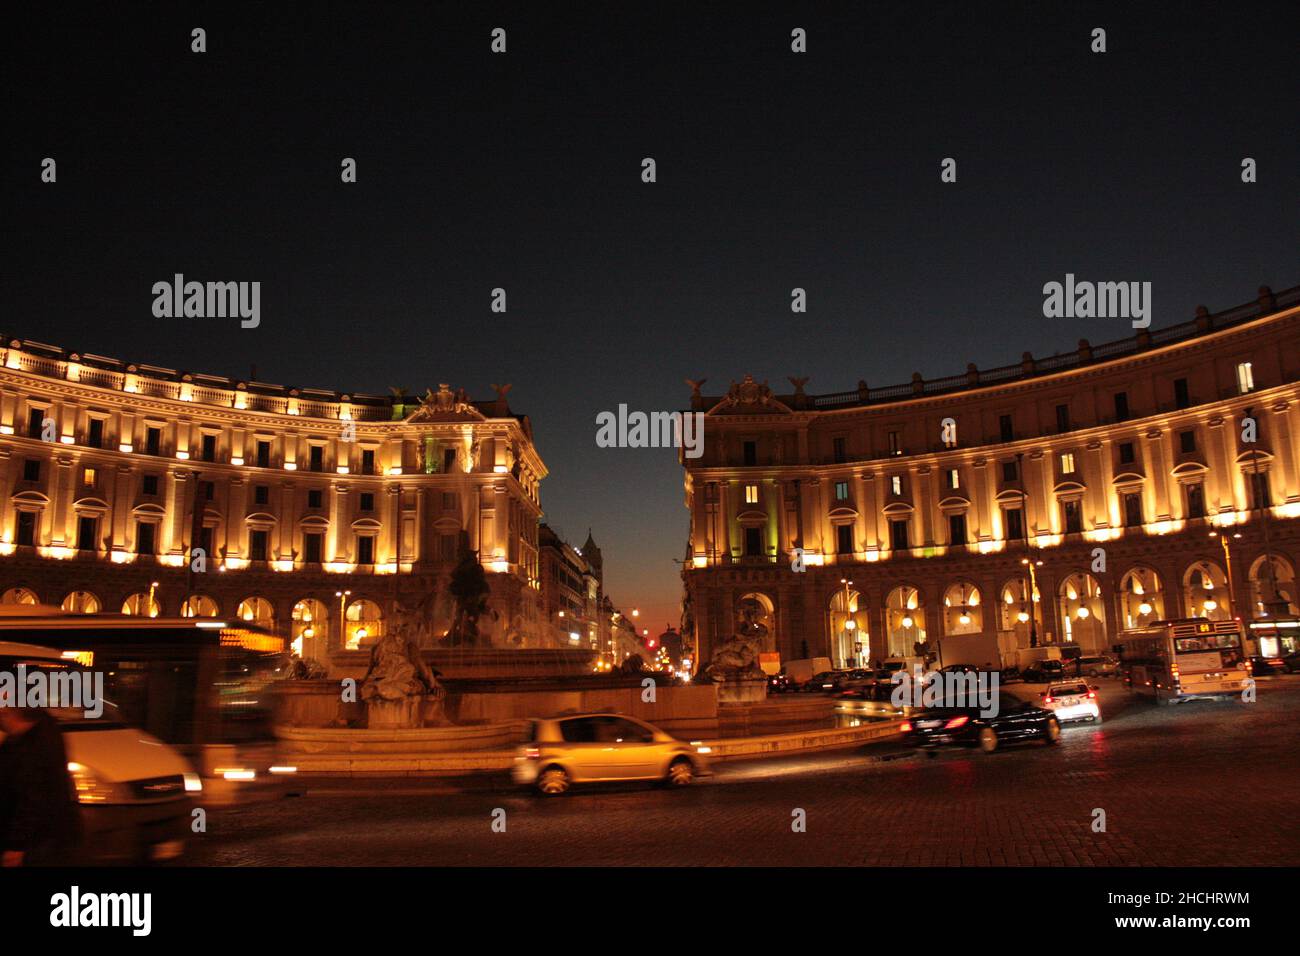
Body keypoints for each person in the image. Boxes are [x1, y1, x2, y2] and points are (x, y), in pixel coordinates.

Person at [0, 706, 82, 866]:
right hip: (45, 839)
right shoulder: (41, 729)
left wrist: (17, 846)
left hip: (36, 845)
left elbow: (32, 799)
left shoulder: (32, 749)